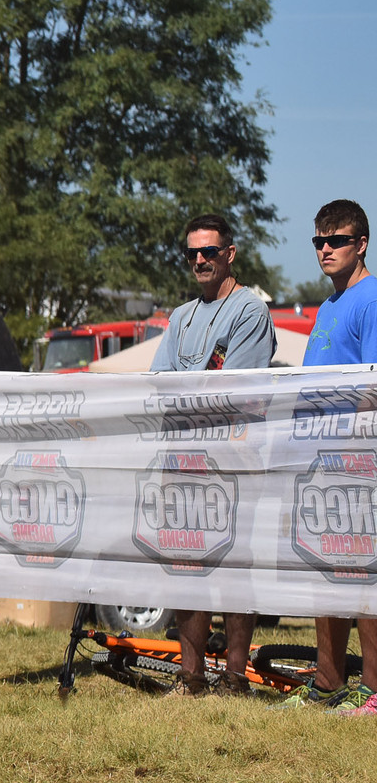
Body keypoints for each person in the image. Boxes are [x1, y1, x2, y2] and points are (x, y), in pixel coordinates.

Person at [149, 213, 276, 696]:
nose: (200, 260)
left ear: (230, 254)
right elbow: (160, 386)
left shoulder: (249, 311)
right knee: (185, 564)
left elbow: (236, 395)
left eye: (209, 251)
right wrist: (192, 393)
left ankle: (236, 677)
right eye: (192, 253)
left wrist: (189, 395)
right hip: (181, 463)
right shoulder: (180, 316)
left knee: (236, 566)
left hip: (233, 463)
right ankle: (191, 677)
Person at [293, 199, 377, 715]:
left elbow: (373, 386)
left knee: (366, 574)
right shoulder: (327, 307)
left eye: (337, 240)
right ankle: (328, 684)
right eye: (319, 242)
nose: (325, 250)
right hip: (322, 460)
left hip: (361, 459)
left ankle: (373, 690)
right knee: (328, 571)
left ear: (361, 244)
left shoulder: (371, 298)